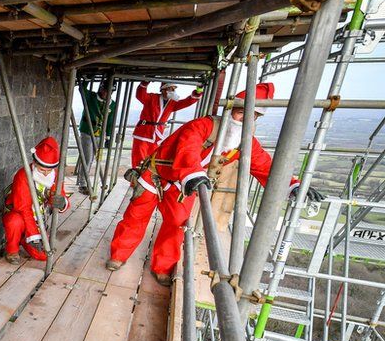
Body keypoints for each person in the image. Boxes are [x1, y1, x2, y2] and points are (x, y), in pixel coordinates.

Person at [106, 83, 324, 286]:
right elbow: (188, 147)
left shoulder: (243, 142)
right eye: (242, 113)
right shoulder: (203, 125)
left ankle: (162, 266)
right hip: (159, 177)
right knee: (135, 217)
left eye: (253, 116)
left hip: (184, 185)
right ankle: (118, 255)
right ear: (231, 110)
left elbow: (265, 165)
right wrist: (193, 174)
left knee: (177, 225)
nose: (245, 120)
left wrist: (294, 186)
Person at [3, 137, 70, 263]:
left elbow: (61, 196)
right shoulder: (23, 175)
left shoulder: (55, 176)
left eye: (49, 170)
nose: (45, 174)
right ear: (34, 163)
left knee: (43, 256)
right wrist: (34, 236)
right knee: (14, 221)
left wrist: (61, 203)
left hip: (39, 220)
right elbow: (23, 208)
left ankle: (23, 239)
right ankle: (12, 250)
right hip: (21, 216)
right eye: (42, 170)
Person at [128, 81, 204, 170]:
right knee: (139, 159)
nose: (173, 91)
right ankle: (135, 181)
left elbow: (188, 101)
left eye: (174, 89)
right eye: (171, 89)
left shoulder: (172, 103)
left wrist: (198, 91)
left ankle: (146, 180)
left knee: (152, 160)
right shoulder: (152, 98)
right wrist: (145, 82)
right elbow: (140, 95)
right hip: (143, 134)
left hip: (157, 136)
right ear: (164, 90)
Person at [77, 81, 116, 194]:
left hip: (100, 135)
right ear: (101, 89)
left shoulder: (111, 104)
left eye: (110, 91)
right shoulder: (91, 97)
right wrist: (87, 79)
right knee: (88, 158)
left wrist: (108, 138)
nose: (106, 93)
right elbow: (82, 89)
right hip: (87, 131)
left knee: (97, 158)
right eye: (105, 90)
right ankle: (83, 184)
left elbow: (109, 122)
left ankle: (93, 182)